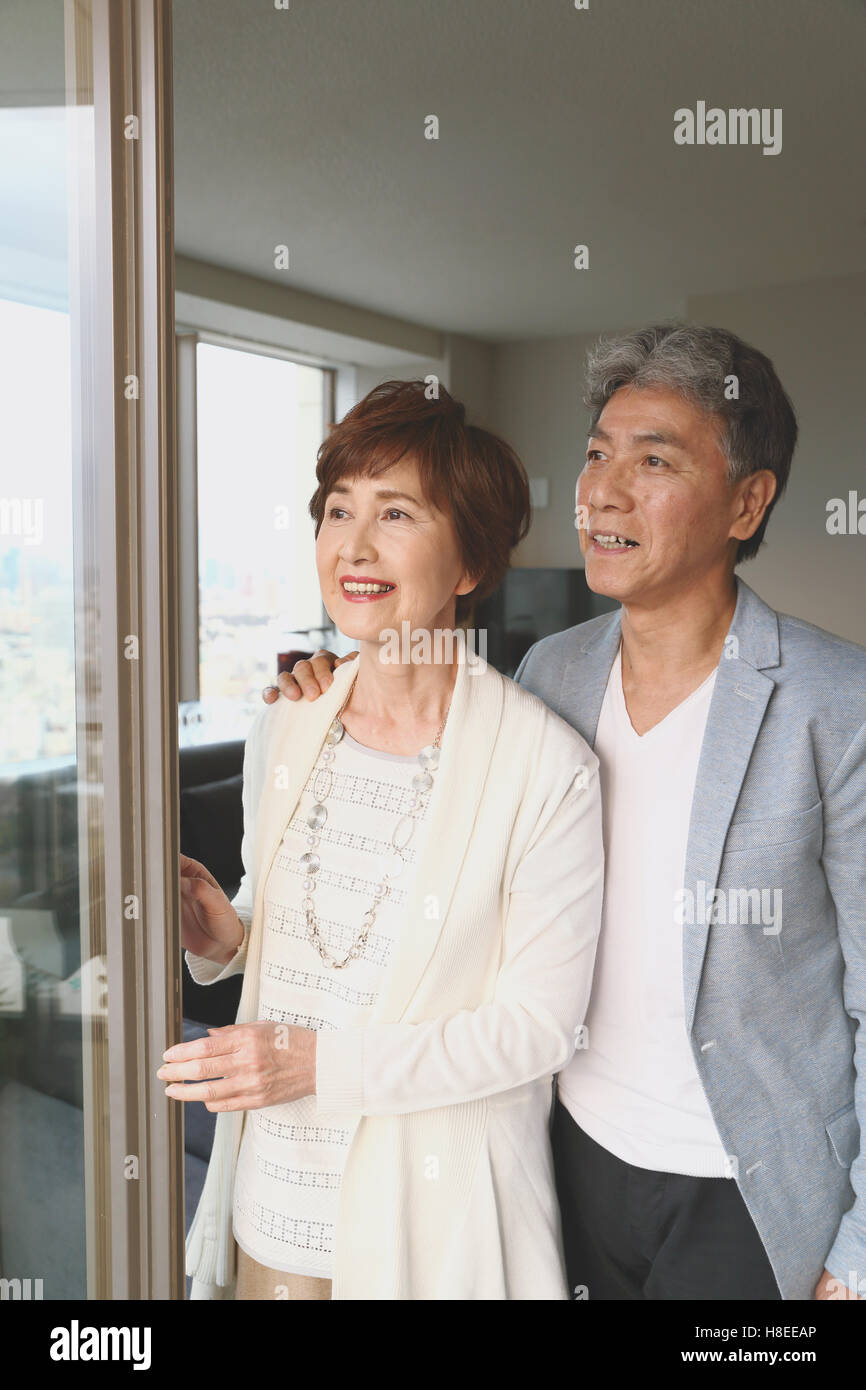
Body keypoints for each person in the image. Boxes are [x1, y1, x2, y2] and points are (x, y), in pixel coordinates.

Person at [278, 325, 866, 1301]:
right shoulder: (549, 674)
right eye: (596, 453)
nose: (601, 490)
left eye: (651, 460)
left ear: (746, 500)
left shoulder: (830, 702)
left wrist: (852, 1257)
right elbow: (438, 834)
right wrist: (329, 685)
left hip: (743, 1192)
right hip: (563, 1150)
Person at [167, 379, 604, 1300]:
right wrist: (228, 938)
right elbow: (311, 932)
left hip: (430, 1221)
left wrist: (317, 1064)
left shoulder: (544, 764)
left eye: (395, 512)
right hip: (275, 1199)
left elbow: (537, 1029)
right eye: (337, 511)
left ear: (471, 561)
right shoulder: (285, 726)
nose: (353, 547)